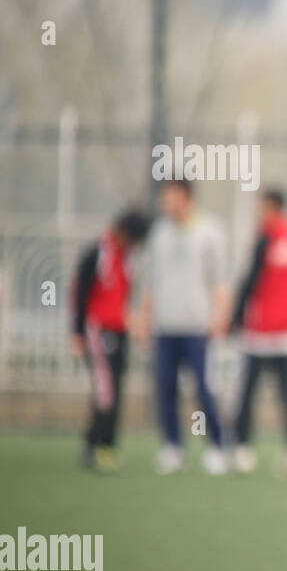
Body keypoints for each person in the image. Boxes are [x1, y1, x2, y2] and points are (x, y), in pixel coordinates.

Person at [136, 176, 232, 475]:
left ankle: (218, 446)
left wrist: (220, 317)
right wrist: (144, 319)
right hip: (166, 326)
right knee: (165, 386)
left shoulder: (209, 232)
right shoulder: (159, 234)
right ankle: (173, 447)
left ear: (187, 196)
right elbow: (149, 283)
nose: (166, 203)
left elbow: (221, 282)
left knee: (203, 388)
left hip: (197, 326)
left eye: (171, 197)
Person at [228, 189, 287, 475]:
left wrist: (235, 319)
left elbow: (250, 280)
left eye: (262, 207)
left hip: (262, 332)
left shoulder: (267, 238)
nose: (258, 213)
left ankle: (242, 450)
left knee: (247, 392)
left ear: (272, 208)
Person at [70, 209, 152, 472]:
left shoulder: (127, 259)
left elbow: (124, 298)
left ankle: (93, 442)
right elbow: (80, 294)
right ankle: (103, 447)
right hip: (98, 331)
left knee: (112, 388)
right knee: (107, 391)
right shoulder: (97, 254)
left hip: (119, 332)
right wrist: (78, 332)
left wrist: (134, 324)